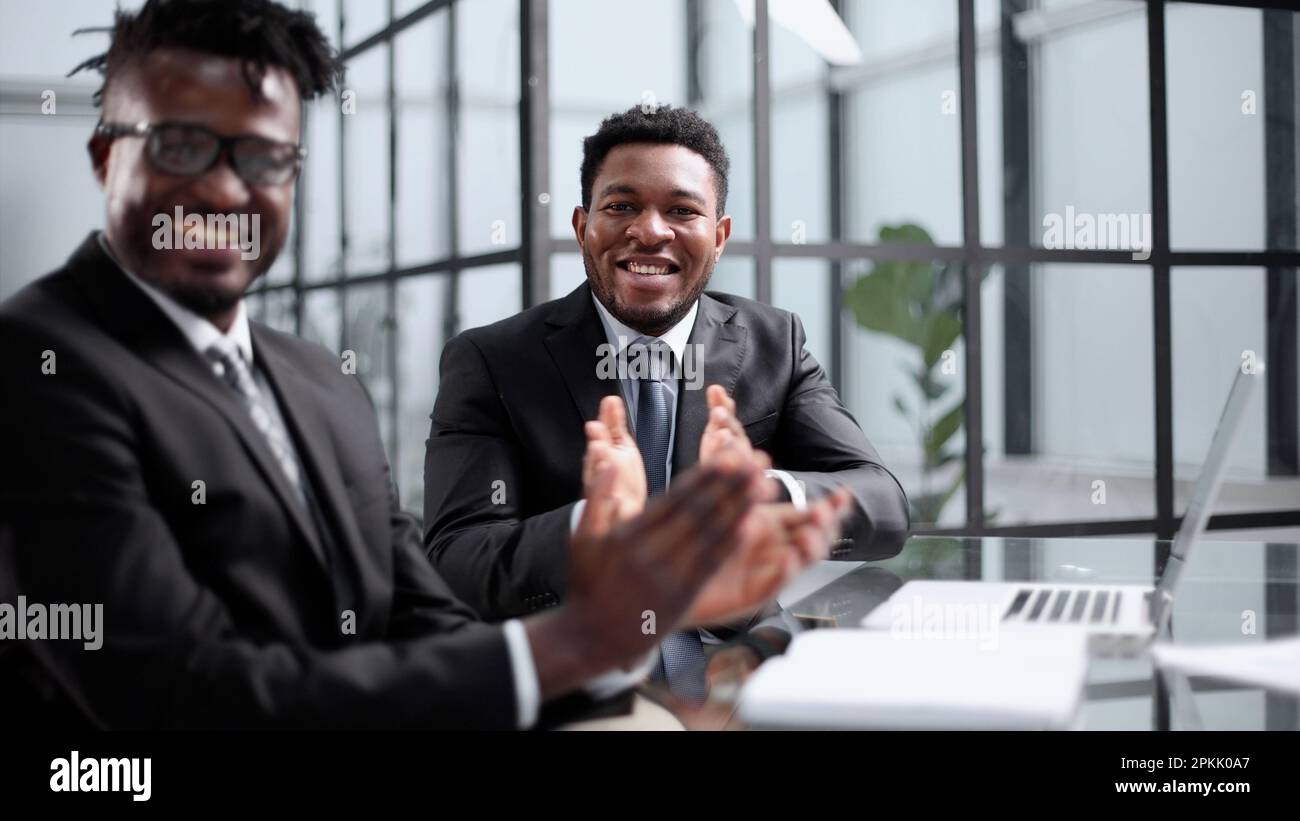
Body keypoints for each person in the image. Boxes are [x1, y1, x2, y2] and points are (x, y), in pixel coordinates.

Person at [0, 0, 848, 730]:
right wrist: (584, 632)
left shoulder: (317, 380)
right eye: (184, 147)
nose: (227, 191)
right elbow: (175, 694)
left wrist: (620, 632)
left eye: (263, 158)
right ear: (109, 156)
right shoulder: (42, 363)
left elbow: (425, 620)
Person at [424, 105, 910, 700]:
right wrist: (592, 530)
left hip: (743, 676)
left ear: (720, 236)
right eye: (622, 206)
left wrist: (764, 495)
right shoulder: (493, 360)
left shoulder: (772, 343)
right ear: (583, 226)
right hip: (579, 682)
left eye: (682, 210)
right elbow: (456, 558)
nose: (651, 231)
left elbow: (883, 503)